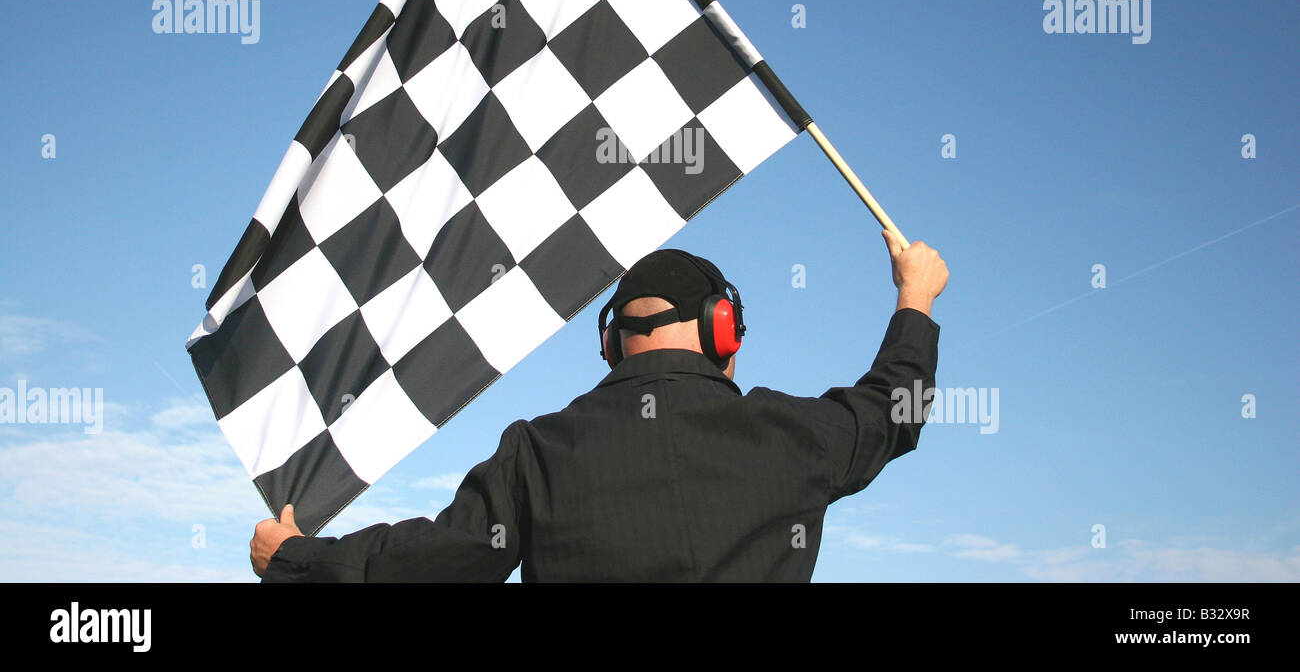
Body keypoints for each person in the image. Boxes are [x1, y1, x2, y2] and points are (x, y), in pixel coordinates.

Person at [251, 228, 947, 581]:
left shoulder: (539, 452)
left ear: (611, 343)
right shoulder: (794, 437)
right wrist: (913, 295)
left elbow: (425, 565)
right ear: (722, 331)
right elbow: (896, 406)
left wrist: (297, 559)